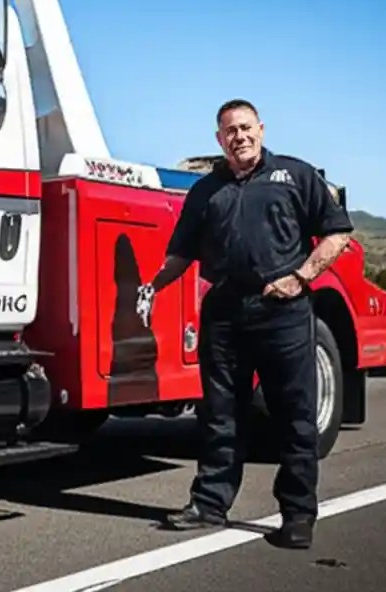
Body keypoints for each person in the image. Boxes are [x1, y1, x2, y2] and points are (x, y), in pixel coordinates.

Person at [137, 98, 353, 549]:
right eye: (229, 130)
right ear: (219, 140)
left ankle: (297, 515)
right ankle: (210, 504)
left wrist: (301, 278)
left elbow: (338, 233)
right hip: (225, 314)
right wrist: (154, 284)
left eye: (246, 127)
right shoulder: (206, 191)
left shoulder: (294, 176)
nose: (239, 136)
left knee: (294, 417)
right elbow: (182, 252)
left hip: (284, 314)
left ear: (262, 130)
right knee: (219, 415)